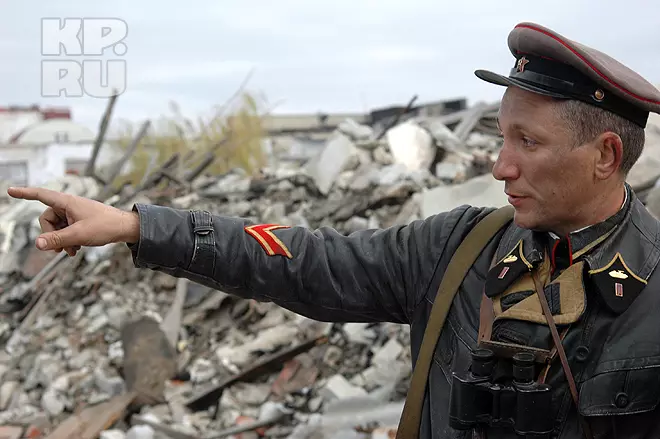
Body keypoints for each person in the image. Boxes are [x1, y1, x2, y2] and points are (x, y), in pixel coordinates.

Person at [8, 22, 660, 438]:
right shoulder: (460, 250)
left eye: (528, 141)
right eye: (500, 135)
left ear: (604, 154)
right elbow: (306, 261)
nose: (499, 164)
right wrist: (134, 224)